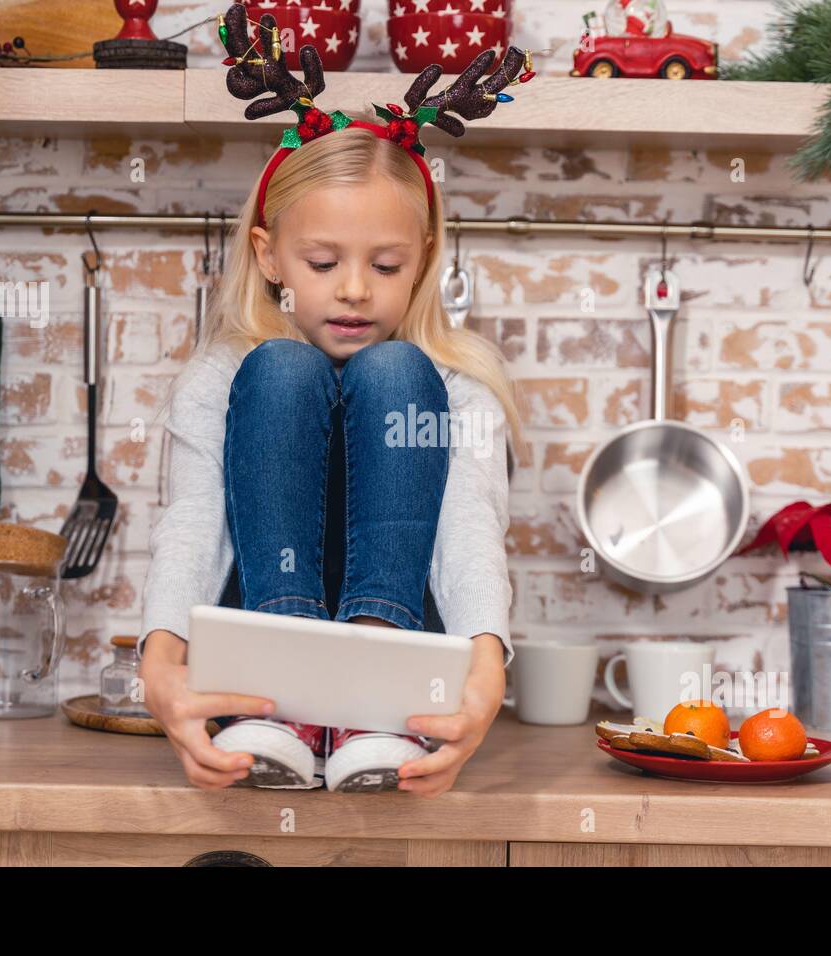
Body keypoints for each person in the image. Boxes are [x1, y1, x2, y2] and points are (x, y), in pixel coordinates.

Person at [136, 4, 535, 796]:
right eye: (323, 262)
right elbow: (191, 524)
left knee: (395, 374)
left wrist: (488, 660)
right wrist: (160, 658)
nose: (354, 290)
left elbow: (468, 527)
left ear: (422, 262)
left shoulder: (454, 382)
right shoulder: (225, 373)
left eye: (385, 267)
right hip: (252, 682)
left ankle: (368, 695)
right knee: (282, 371)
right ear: (271, 255)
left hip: (400, 700)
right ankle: (286, 700)